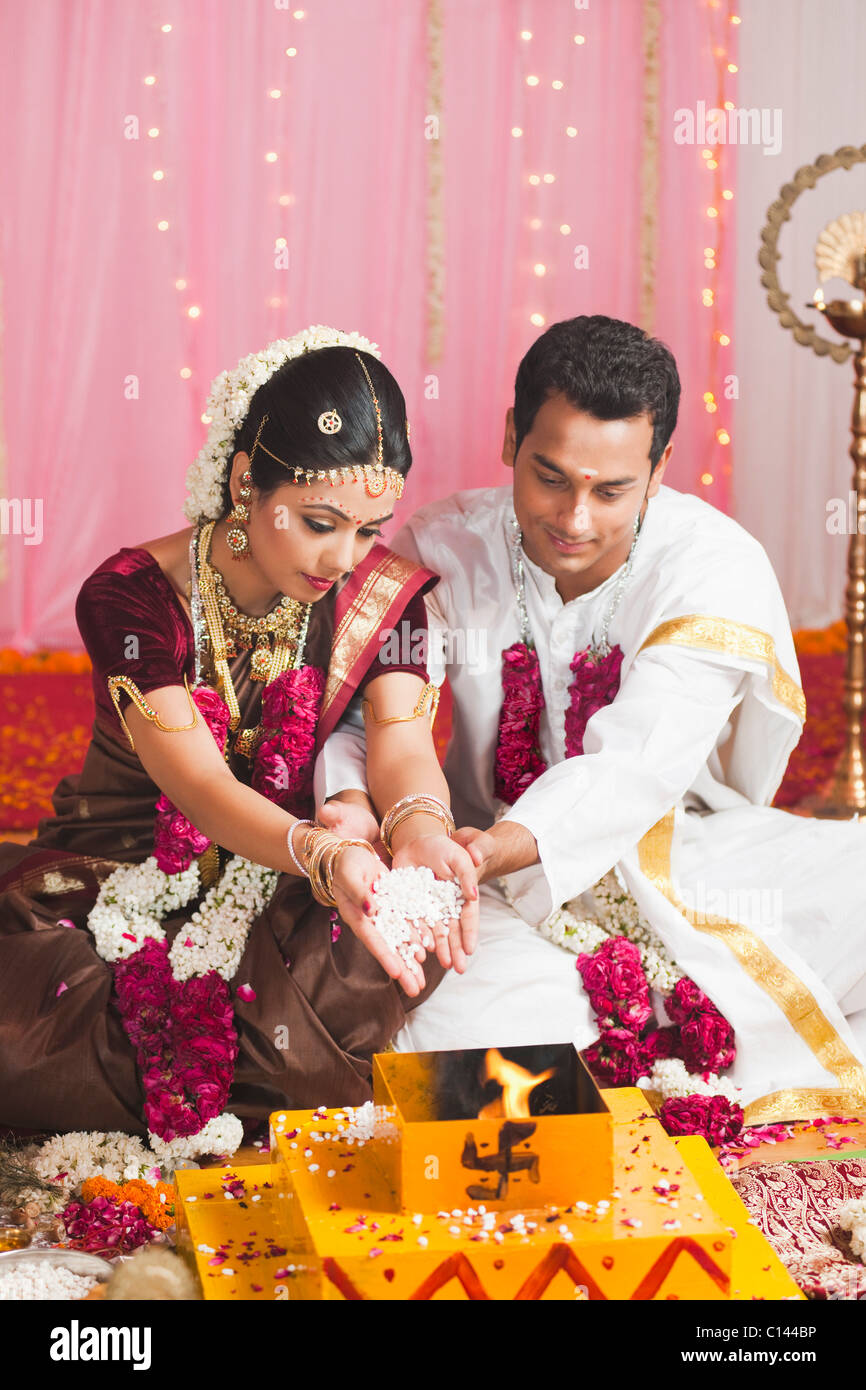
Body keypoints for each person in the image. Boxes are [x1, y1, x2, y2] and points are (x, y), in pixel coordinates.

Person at [319, 315, 866, 1127]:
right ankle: (648, 1020)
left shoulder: (713, 565)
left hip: (689, 855)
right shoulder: (440, 547)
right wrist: (367, 817)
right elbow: (367, 725)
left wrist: (484, 851)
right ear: (510, 438)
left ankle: (644, 1016)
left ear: (661, 467)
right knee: (449, 1027)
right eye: (551, 477)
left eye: (611, 490)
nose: (574, 518)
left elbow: (637, 764)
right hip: (482, 885)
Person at [0, 326, 478, 1160]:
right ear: (243, 479)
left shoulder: (388, 598)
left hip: (296, 888)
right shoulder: (128, 598)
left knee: (398, 934)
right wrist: (323, 857)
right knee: (23, 1014)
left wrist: (421, 829)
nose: (343, 556)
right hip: (121, 869)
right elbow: (198, 785)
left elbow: (401, 743)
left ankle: (201, 1065)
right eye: (319, 521)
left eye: (367, 529)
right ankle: (247, 1065)